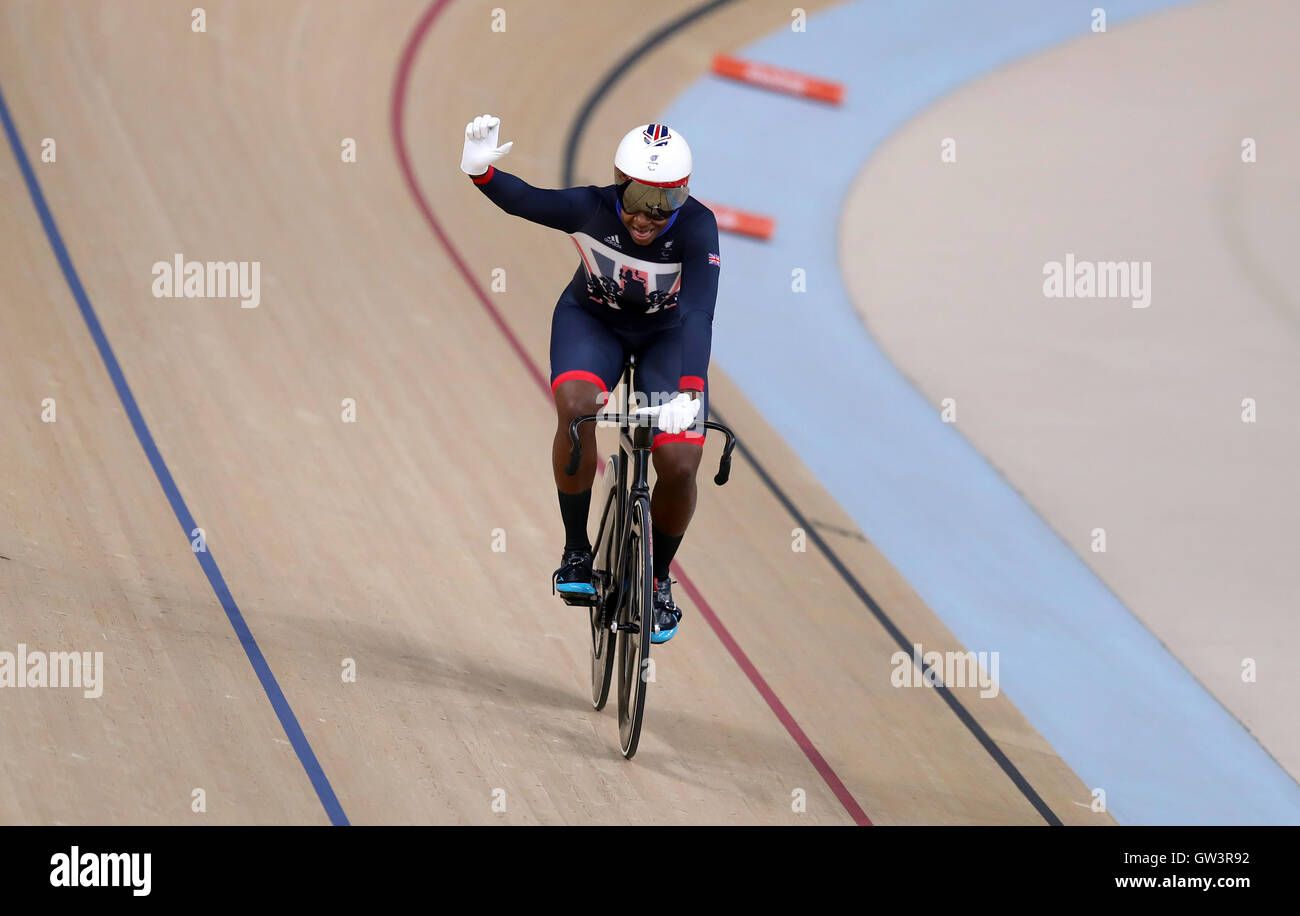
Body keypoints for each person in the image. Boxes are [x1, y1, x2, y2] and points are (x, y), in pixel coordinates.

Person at [461, 114, 720, 644]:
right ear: (618, 182)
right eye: (638, 196)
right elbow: (526, 200)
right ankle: (577, 551)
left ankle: (657, 578)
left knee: (679, 459)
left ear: (685, 197)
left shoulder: (699, 227)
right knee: (577, 409)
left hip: (667, 341)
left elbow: (698, 314)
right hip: (593, 322)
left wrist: (689, 394)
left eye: (664, 202)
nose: (647, 216)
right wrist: (480, 170)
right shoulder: (591, 207)